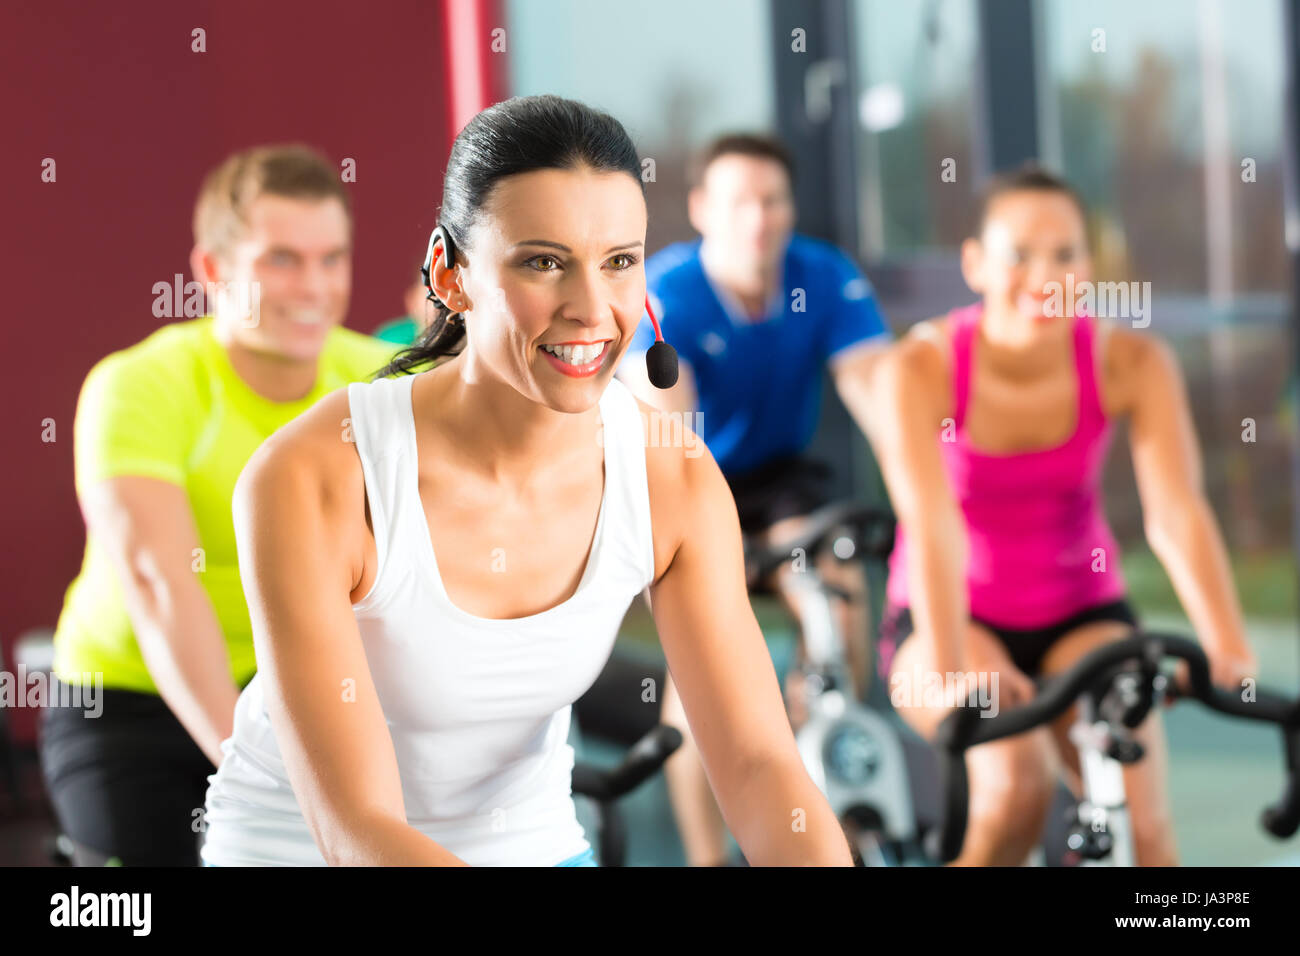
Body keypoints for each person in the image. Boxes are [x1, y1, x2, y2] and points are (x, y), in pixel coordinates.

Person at [200, 95, 854, 867]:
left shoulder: (670, 475)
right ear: (451, 274)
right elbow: (357, 831)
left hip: (527, 844)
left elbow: (758, 768)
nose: (591, 310)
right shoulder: (317, 476)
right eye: (543, 261)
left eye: (619, 262)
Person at [872, 164, 1259, 866]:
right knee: (1016, 787)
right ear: (975, 264)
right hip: (950, 620)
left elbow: (1174, 512)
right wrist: (955, 669)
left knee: (1145, 830)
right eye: (1019, 254)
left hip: (1082, 613)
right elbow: (930, 524)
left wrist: (1227, 646)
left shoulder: (1132, 362)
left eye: (1066, 254)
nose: (1045, 277)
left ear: (1090, 263)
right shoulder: (919, 368)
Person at [39, 144, 400, 866]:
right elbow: (160, 584)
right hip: (130, 703)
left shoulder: (380, 380)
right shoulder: (141, 385)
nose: (315, 287)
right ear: (211, 270)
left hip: (303, 688)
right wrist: (257, 769)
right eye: (283, 259)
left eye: (333, 258)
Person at [617, 133, 891, 866]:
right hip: (684, 481)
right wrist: (711, 555)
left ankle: (825, 807)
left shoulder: (822, 276)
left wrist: (926, 506)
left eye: (773, 200)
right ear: (704, 209)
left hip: (776, 483)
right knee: (699, 676)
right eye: (740, 201)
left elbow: (881, 396)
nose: (759, 219)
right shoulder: (665, 297)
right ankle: (709, 859)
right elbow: (672, 451)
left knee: (839, 598)